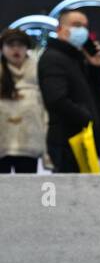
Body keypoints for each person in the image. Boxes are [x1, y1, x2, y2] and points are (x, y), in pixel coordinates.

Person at [37, 9, 100, 173]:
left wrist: (97, 67)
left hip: (81, 138)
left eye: (85, 26)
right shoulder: (53, 58)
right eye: (76, 25)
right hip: (67, 140)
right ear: (60, 29)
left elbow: (91, 93)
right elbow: (56, 99)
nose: (82, 30)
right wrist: (86, 117)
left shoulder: (76, 58)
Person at [0, 29, 46, 173]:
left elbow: (46, 112)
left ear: (27, 48)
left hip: (30, 144)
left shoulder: (40, 72)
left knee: (28, 189)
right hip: (2, 145)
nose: (16, 49)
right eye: (10, 45)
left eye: (20, 45)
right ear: (2, 48)